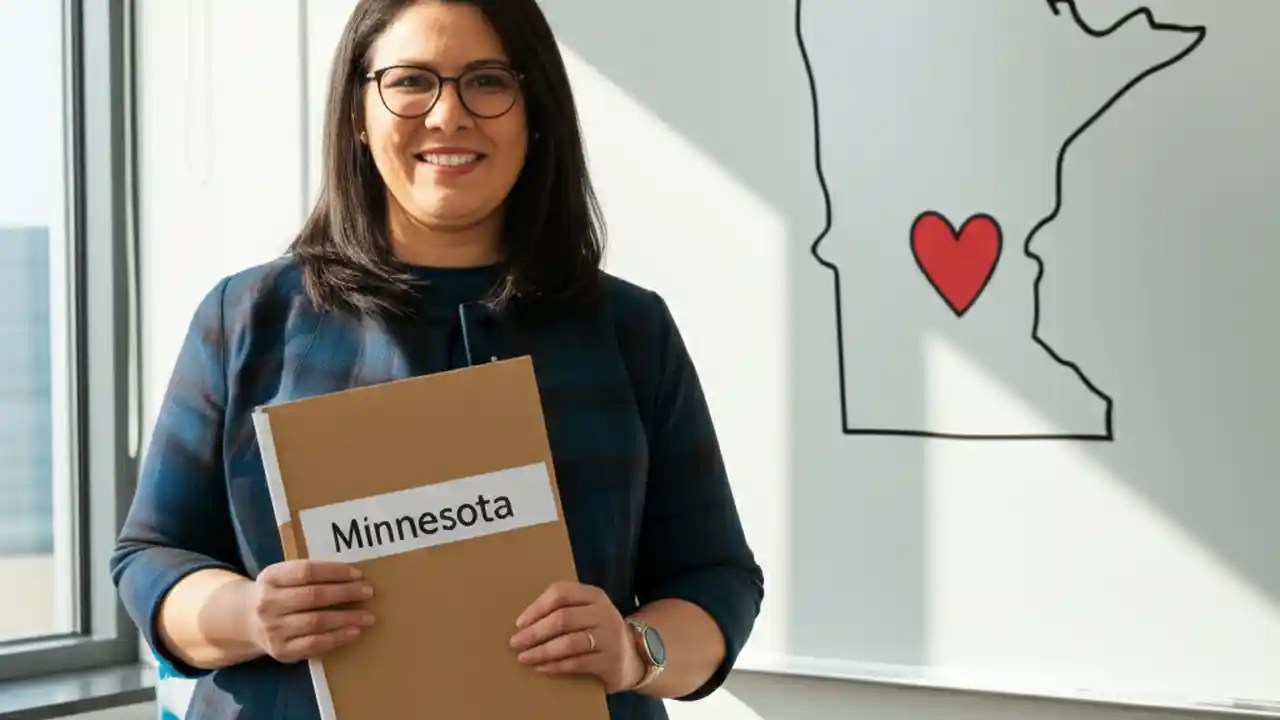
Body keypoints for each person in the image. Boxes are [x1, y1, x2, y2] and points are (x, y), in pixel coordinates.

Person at [109, 1, 764, 718]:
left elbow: (716, 579)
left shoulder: (629, 329)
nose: (448, 115)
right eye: (411, 81)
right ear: (358, 113)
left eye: (486, 82)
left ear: (534, 110)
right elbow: (151, 559)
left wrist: (637, 649)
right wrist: (247, 613)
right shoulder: (248, 317)